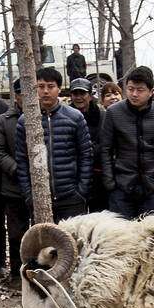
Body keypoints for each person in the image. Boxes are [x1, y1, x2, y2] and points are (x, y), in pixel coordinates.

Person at [16, 68, 93, 220]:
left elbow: (86, 155)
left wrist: (81, 191)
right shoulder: (25, 121)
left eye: (50, 86)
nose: (45, 91)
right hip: (40, 198)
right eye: (41, 86)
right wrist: (29, 194)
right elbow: (22, 160)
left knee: (73, 241)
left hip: (71, 197)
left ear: (59, 89)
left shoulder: (74, 117)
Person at [101, 66, 154, 218]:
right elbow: (105, 150)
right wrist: (110, 185)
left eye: (140, 90)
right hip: (121, 187)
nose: (134, 94)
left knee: (150, 236)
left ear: (151, 91)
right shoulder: (114, 113)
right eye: (130, 89)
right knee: (121, 236)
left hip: (153, 188)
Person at [0, 79, 30, 284]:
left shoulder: (45, 117)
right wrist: (18, 169)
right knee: (16, 235)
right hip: (13, 187)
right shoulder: (4, 119)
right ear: (16, 95)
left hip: (43, 188)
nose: (25, 96)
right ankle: (17, 273)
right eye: (21, 92)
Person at [68, 78, 105, 211]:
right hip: (73, 177)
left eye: (82, 94)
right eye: (75, 94)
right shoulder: (65, 117)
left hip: (98, 177)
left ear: (90, 95)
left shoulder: (103, 117)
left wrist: (91, 150)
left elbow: (108, 144)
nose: (78, 98)